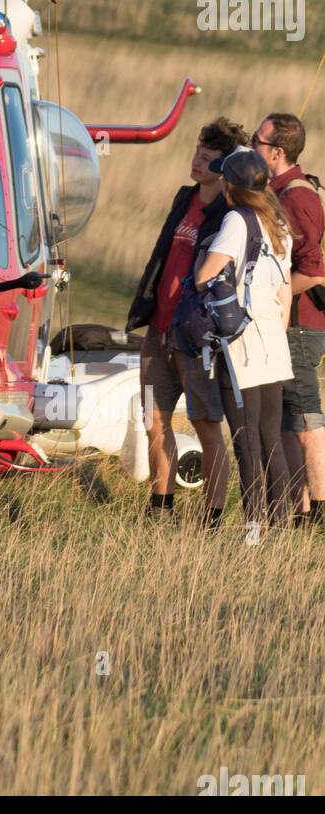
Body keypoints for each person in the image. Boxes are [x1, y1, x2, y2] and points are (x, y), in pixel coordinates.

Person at [127, 117, 247, 523]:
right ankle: (161, 508)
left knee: (206, 423)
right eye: (196, 151)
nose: (196, 161)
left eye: (207, 157)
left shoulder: (230, 214)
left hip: (196, 339)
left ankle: (211, 516)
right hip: (156, 332)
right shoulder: (184, 197)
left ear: (224, 167)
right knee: (152, 418)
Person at [194, 147, 293, 531]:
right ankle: (279, 526)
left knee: (245, 439)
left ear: (232, 186)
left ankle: (253, 529)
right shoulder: (277, 220)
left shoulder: (236, 219)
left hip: (242, 344)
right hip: (273, 340)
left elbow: (206, 275)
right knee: (271, 436)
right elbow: (284, 290)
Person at [252, 113, 325, 524]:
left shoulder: (296, 198)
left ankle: (317, 508)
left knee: (303, 415)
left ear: (276, 153)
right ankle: (296, 508)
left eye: (256, 141)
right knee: (285, 416)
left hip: (298, 325)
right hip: (289, 323)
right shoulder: (280, 191)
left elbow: (313, 270)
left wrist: (269, 296)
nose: (251, 146)